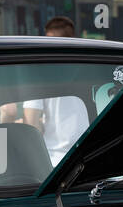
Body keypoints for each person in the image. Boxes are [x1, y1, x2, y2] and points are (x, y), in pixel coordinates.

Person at [22, 16, 91, 165]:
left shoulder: (39, 74)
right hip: (91, 160)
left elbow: (31, 126)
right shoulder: (90, 70)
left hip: (55, 164)